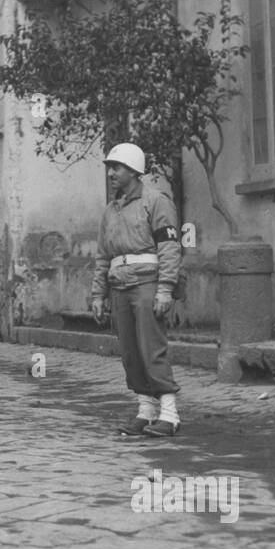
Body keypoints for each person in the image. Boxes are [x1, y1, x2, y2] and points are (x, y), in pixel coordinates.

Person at [90, 143, 183, 437]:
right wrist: (97, 294)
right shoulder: (110, 211)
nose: (111, 174)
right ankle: (145, 411)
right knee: (130, 353)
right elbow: (103, 255)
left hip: (146, 284)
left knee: (151, 348)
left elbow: (169, 247)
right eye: (109, 168)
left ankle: (170, 414)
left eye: (116, 168)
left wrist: (165, 289)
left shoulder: (156, 202)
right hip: (119, 287)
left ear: (133, 170)